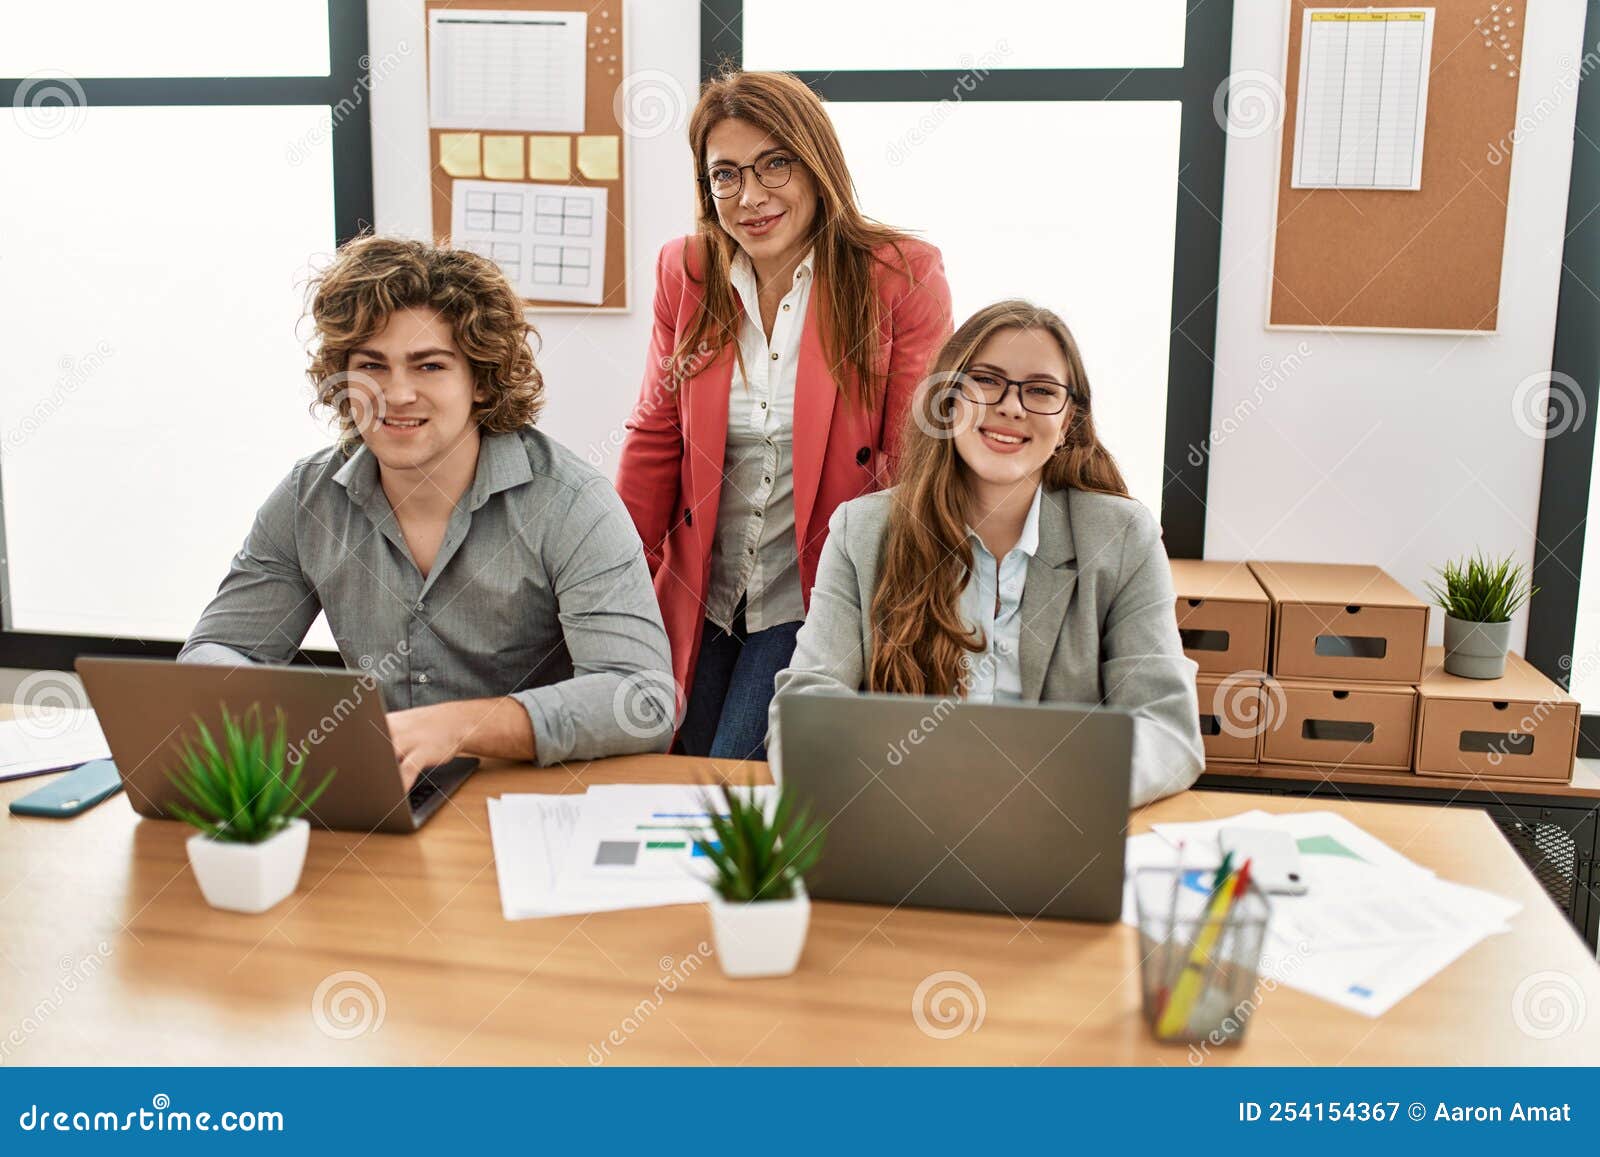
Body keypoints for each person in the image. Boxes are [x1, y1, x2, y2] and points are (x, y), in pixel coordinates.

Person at [180, 236, 675, 783]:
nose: (396, 394)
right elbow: (217, 650)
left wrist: (459, 726)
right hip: (383, 798)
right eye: (372, 365)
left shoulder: (571, 503)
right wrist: (275, 713)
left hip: (525, 803)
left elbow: (643, 700)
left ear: (481, 381)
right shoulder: (307, 499)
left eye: (429, 366)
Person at [616, 69, 953, 760]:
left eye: (775, 164)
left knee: (731, 781)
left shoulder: (900, 274)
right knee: (669, 767)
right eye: (726, 175)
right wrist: (609, 584)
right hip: (702, 591)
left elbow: (909, 465)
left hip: (816, 593)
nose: (751, 196)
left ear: (816, 162)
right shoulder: (686, 271)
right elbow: (655, 439)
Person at [768, 300, 1203, 807]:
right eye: (987, 380)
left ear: (1067, 423)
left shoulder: (1124, 536)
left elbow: (1167, 726)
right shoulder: (861, 531)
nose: (1012, 406)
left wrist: (1063, 786)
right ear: (947, 401)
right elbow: (806, 705)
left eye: (1041, 390)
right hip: (904, 813)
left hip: (1058, 823)